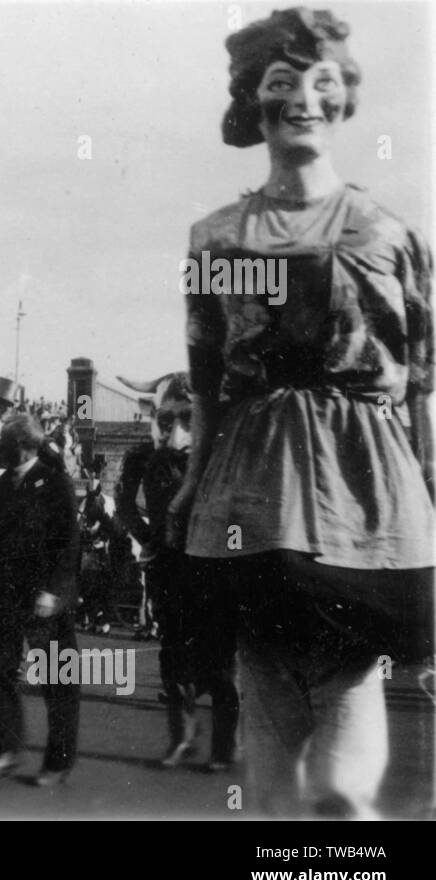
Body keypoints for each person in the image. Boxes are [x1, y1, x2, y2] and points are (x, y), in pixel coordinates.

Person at [169, 8, 434, 817]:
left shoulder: (387, 233)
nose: (304, 100)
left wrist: (430, 478)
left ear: (344, 100)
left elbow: (420, 379)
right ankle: (291, 844)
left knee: (351, 660)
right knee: (262, 665)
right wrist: (190, 480)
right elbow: (208, 377)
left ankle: (343, 818)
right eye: (281, 84)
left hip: (365, 477)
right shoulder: (216, 236)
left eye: (323, 84)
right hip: (254, 475)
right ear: (253, 103)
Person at [118, 373, 239, 771]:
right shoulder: (142, 457)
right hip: (168, 566)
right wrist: (146, 538)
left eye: (187, 418)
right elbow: (124, 504)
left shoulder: (222, 455)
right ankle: (181, 738)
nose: (174, 430)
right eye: (167, 420)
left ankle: (224, 746)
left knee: (220, 660)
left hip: (212, 565)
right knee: (172, 655)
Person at [0, 413, 81, 785]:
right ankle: (4, 751)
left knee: (57, 679)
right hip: (5, 595)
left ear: (25, 446)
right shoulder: (1, 486)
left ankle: (58, 763)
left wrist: (53, 590)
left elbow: (69, 543)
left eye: (5, 446)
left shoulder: (55, 483)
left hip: (43, 595)